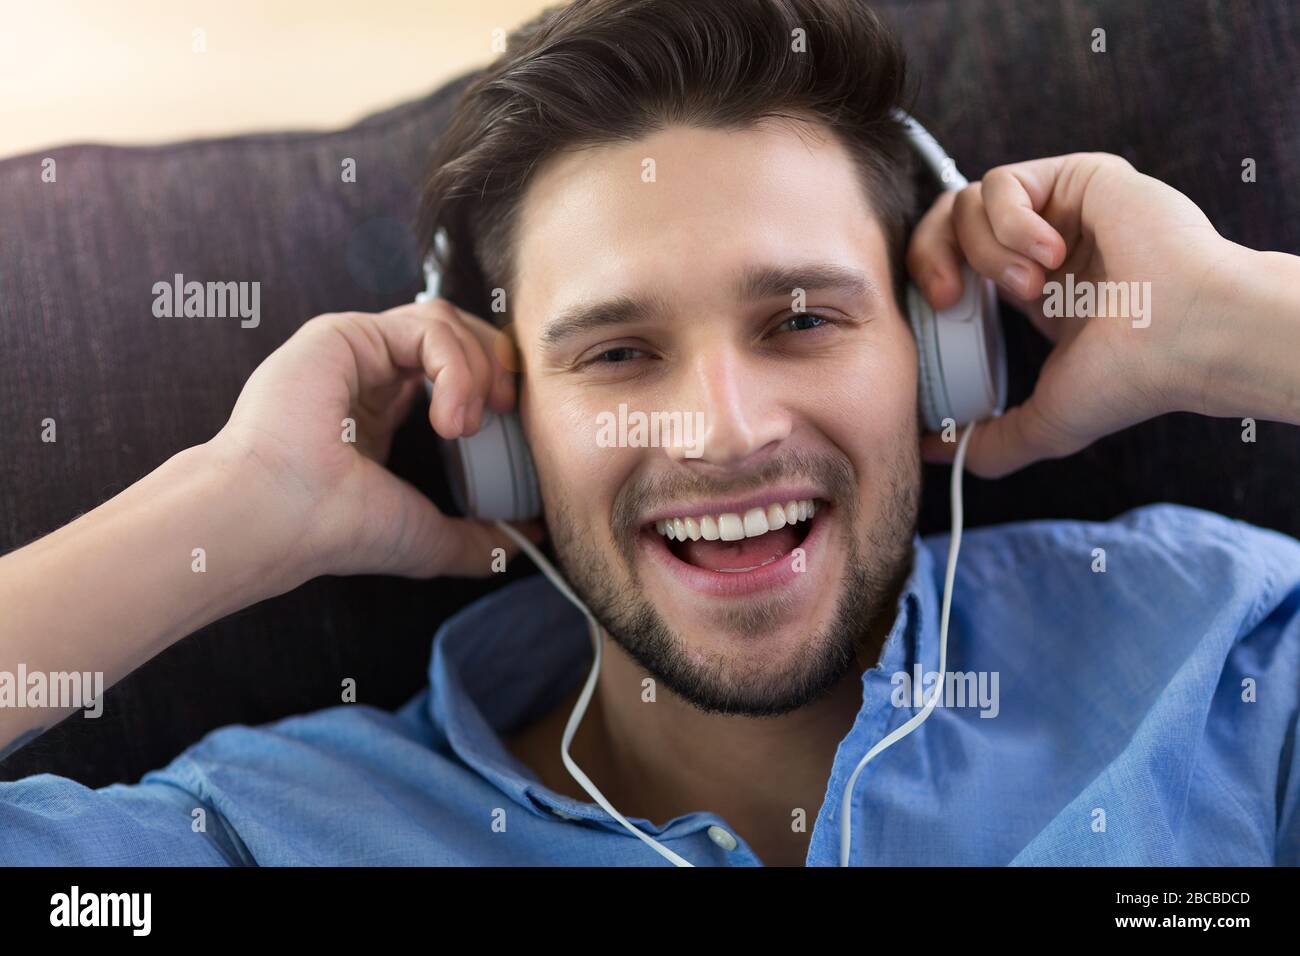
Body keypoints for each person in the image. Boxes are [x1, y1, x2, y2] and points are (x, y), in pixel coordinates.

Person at [1, 0, 1298, 866]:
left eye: (799, 321)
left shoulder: (1218, 650)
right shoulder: (278, 829)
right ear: (498, 433)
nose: (725, 429)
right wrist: (230, 509)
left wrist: (1225, 321)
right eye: (618, 353)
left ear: (941, 360)